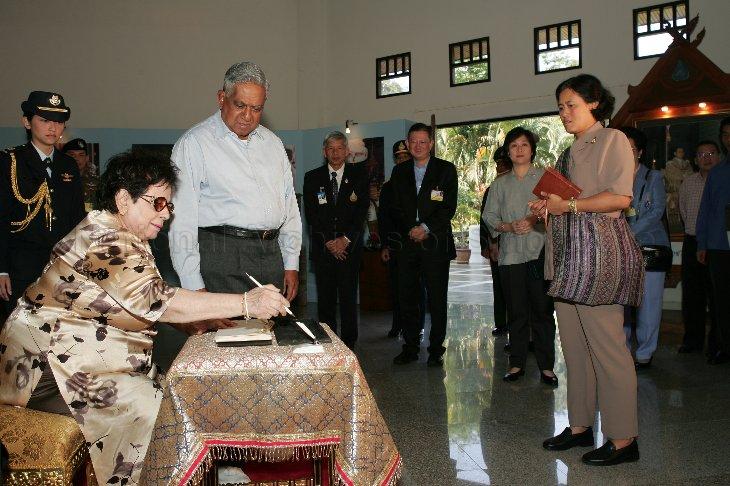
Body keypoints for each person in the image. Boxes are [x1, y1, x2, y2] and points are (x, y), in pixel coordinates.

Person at [0, 148, 289, 484]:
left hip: (86, 354)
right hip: (46, 364)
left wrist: (193, 321)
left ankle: (199, 470)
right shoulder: (103, 238)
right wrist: (246, 303)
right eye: (158, 202)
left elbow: (132, 301)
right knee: (158, 409)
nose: (165, 214)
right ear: (124, 200)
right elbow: (156, 298)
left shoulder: (123, 234)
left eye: (169, 205)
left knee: (175, 393)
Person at [531, 74, 639, 465]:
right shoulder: (568, 151)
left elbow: (618, 199)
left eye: (570, 104)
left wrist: (567, 206)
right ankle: (580, 427)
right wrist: (548, 209)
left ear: (594, 103)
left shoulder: (613, 141)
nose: (563, 113)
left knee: (609, 351)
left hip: (598, 259)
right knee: (574, 351)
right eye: (560, 106)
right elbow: (565, 204)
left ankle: (624, 437)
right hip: (567, 260)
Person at [169, 61, 301, 303]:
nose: (247, 116)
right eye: (240, 105)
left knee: (268, 335)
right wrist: (192, 285)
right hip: (221, 257)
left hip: (271, 256)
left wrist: (291, 262)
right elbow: (182, 221)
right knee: (227, 337)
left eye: (256, 108)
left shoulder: (273, 144)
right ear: (222, 98)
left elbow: (289, 208)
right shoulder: (194, 144)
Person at [0, 91, 86, 316]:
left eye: (58, 122)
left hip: (60, 266)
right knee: (18, 331)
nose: (52, 128)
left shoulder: (67, 165)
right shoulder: (10, 162)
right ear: (27, 122)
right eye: (44, 120)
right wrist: (1, 270)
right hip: (21, 265)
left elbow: (76, 219)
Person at [484, 127, 557, 385]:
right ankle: (516, 364)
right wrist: (509, 226)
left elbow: (557, 209)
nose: (519, 150)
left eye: (524, 145)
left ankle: (547, 366)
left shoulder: (545, 180)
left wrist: (533, 218)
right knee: (516, 312)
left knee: (542, 311)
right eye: (513, 146)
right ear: (508, 152)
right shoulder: (499, 183)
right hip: (511, 256)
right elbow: (490, 216)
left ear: (532, 149)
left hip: (540, 254)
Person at [389, 123, 457, 367]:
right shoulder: (399, 172)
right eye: (413, 142)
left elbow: (448, 207)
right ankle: (410, 347)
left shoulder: (446, 170)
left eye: (423, 142)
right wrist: (411, 229)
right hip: (407, 243)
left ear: (431, 144)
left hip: (435, 243)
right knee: (407, 297)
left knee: (437, 299)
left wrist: (425, 228)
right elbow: (394, 207)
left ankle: (436, 348)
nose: (417, 146)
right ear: (407, 144)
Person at [303, 131, 369, 349]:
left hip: (349, 249)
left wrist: (345, 240)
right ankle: (328, 341)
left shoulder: (359, 176)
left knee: (349, 299)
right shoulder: (312, 178)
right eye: (331, 148)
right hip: (324, 249)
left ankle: (349, 343)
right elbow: (312, 216)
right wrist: (330, 243)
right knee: (326, 301)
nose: (336, 153)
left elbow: (361, 215)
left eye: (340, 148)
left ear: (347, 151)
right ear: (324, 151)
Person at [620, 126, 670, 369]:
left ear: (639, 152)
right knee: (621, 303)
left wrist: (627, 233)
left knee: (649, 303)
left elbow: (656, 212)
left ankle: (645, 353)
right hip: (620, 250)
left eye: (630, 149)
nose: (626, 153)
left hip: (649, 246)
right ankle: (622, 349)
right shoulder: (612, 179)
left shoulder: (654, 177)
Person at [380, 140, 426, 338]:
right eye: (398, 157)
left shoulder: (420, 182)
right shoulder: (389, 186)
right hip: (397, 244)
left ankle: (418, 326)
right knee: (397, 287)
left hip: (418, 242)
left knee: (418, 287)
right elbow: (384, 217)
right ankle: (397, 324)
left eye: (405, 156)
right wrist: (385, 245)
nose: (401, 160)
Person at [678, 140, 720, 354]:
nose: (707, 158)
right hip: (692, 241)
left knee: (717, 296)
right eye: (702, 155)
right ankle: (692, 341)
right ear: (695, 160)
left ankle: (717, 344)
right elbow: (683, 212)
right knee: (692, 295)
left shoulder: (723, 181)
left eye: (712, 153)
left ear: (719, 157)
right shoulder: (688, 183)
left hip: (718, 245)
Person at [695, 140, 730, 365]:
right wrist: (702, 243)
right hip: (720, 245)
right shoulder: (718, 172)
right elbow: (705, 210)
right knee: (722, 301)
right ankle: (724, 348)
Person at [479, 147, 511, 337]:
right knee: (498, 286)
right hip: (496, 245)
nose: (500, 167)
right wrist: (487, 245)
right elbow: (484, 219)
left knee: (513, 288)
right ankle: (501, 323)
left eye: (503, 163)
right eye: (498, 164)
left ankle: (517, 328)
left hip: (515, 243)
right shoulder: (492, 189)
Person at [62, 137, 98, 211]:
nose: (76, 158)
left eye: (81, 155)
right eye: (72, 155)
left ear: (87, 158)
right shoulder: (57, 179)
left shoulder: (96, 181)